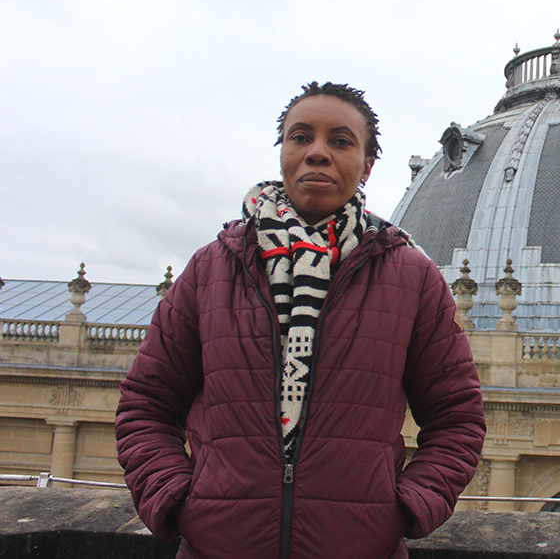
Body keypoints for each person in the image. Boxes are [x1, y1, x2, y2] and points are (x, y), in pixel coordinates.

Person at [115, 82, 486, 559]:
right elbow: (146, 404)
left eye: (341, 141)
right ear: (283, 153)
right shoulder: (211, 269)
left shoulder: (412, 277)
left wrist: (402, 511)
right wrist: (181, 502)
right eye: (301, 137)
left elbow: (457, 419)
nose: (317, 152)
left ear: (367, 165)